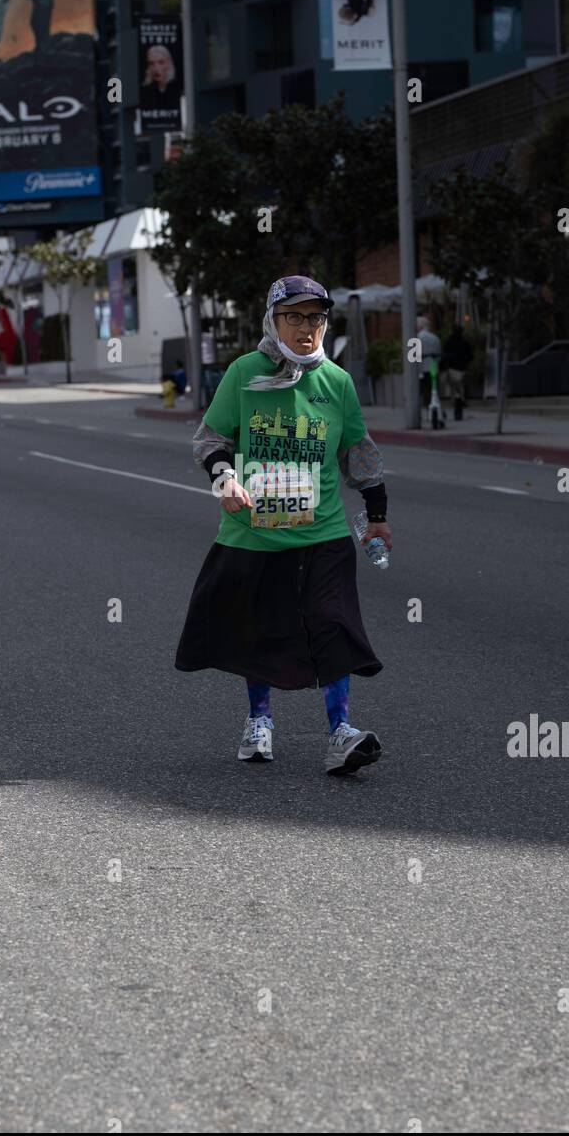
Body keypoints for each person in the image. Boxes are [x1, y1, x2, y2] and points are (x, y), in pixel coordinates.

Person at [175, 275, 391, 777]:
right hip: (255, 534)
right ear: (272, 321)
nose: (306, 327)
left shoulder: (336, 382)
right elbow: (209, 439)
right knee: (260, 630)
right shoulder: (245, 373)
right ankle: (259, 721)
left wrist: (377, 517)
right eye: (293, 316)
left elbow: (358, 452)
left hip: (325, 533)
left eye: (315, 317)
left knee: (333, 624)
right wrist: (224, 478)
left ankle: (342, 733)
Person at [440, 324, 473, 418]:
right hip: (461, 368)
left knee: (449, 390)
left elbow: (444, 354)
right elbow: (470, 355)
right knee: (459, 390)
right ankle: (458, 411)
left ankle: (446, 410)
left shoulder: (449, 342)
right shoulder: (465, 342)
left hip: (450, 367)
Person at [416, 314, 441, 409]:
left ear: (420, 326)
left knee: (425, 390)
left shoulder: (417, 337)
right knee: (434, 390)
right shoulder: (435, 338)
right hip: (434, 367)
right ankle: (436, 407)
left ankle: (428, 407)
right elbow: (439, 353)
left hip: (422, 368)